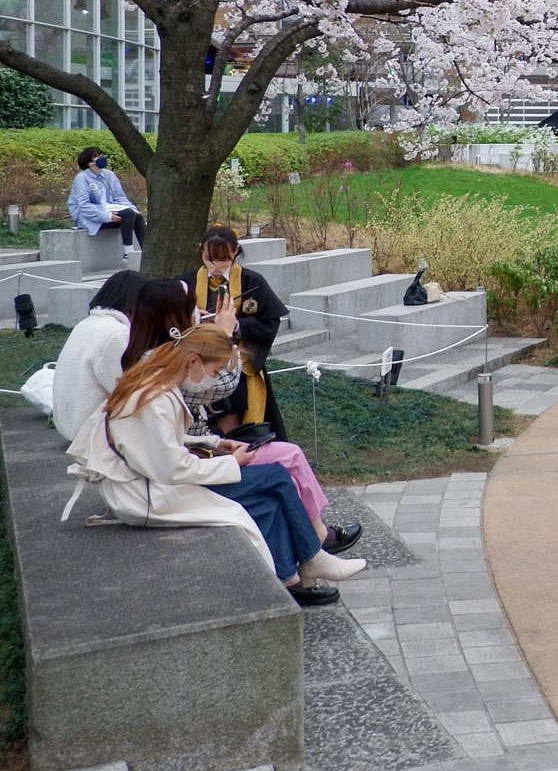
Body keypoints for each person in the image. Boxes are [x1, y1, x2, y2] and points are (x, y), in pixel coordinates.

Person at [64, 324, 366, 607]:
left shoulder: (152, 382)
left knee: (266, 499)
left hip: (146, 485)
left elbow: (154, 443)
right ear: (194, 360)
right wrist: (230, 462)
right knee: (274, 475)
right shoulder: (154, 397)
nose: (215, 375)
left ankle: (290, 579)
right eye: (215, 369)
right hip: (148, 494)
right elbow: (171, 468)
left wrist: (214, 443)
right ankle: (312, 556)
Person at [127, 277, 360, 556]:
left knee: (288, 458)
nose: (199, 312)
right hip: (192, 463)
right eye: (191, 307)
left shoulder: (150, 354)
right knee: (283, 467)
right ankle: (314, 546)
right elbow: (222, 385)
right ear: (172, 315)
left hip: (202, 449)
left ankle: (313, 546)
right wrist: (224, 336)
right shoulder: (163, 360)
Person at [180, 226, 289, 441]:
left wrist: (236, 325)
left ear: (236, 252)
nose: (216, 266)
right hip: (198, 364)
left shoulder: (252, 282)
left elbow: (270, 322)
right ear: (200, 251)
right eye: (209, 259)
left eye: (223, 260)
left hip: (240, 362)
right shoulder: (187, 283)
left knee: (235, 403)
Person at [51, 270, 145, 441]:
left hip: (71, 423)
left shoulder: (87, 324)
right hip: (91, 432)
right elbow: (127, 391)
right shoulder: (116, 335)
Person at [67, 147, 145, 260]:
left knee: (136, 215)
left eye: (100, 154)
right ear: (89, 163)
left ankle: (147, 252)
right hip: (90, 218)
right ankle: (128, 252)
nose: (101, 158)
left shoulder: (110, 175)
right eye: (96, 156)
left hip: (112, 211)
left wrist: (133, 209)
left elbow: (120, 197)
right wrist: (107, 217)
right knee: (128, 213)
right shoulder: (82, 178)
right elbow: (84, 206)